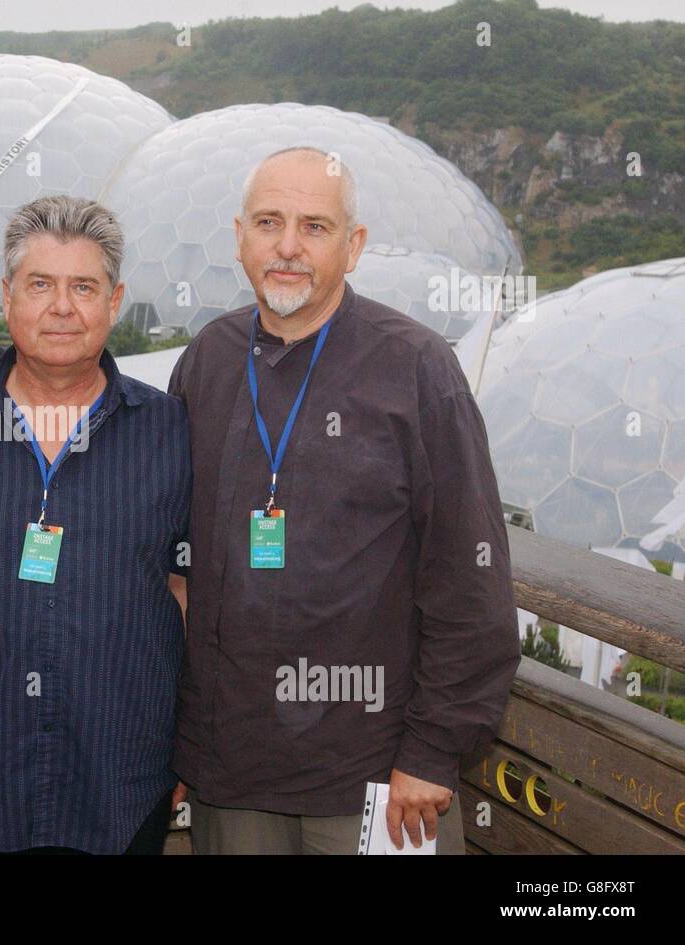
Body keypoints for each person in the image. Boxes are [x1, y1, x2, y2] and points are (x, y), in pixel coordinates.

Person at [169, 146, 520, 854]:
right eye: (269, 222)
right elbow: (173, 564)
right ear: (240, 237)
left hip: (377, 779)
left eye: (315, 227)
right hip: (231, 773)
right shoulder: (208, 358)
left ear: (353, 246)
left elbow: (470, 577)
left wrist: (431, 749)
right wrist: (176, 738)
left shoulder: (417, 368)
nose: (288, 246)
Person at [0, 195, 191, 854]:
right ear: (7, 296)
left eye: (83, 287)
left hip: (121, 784)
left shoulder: (168, 428)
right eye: (40, 284)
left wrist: (189, 736)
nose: (62, 306)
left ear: (114, 302)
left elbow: (184, 589)